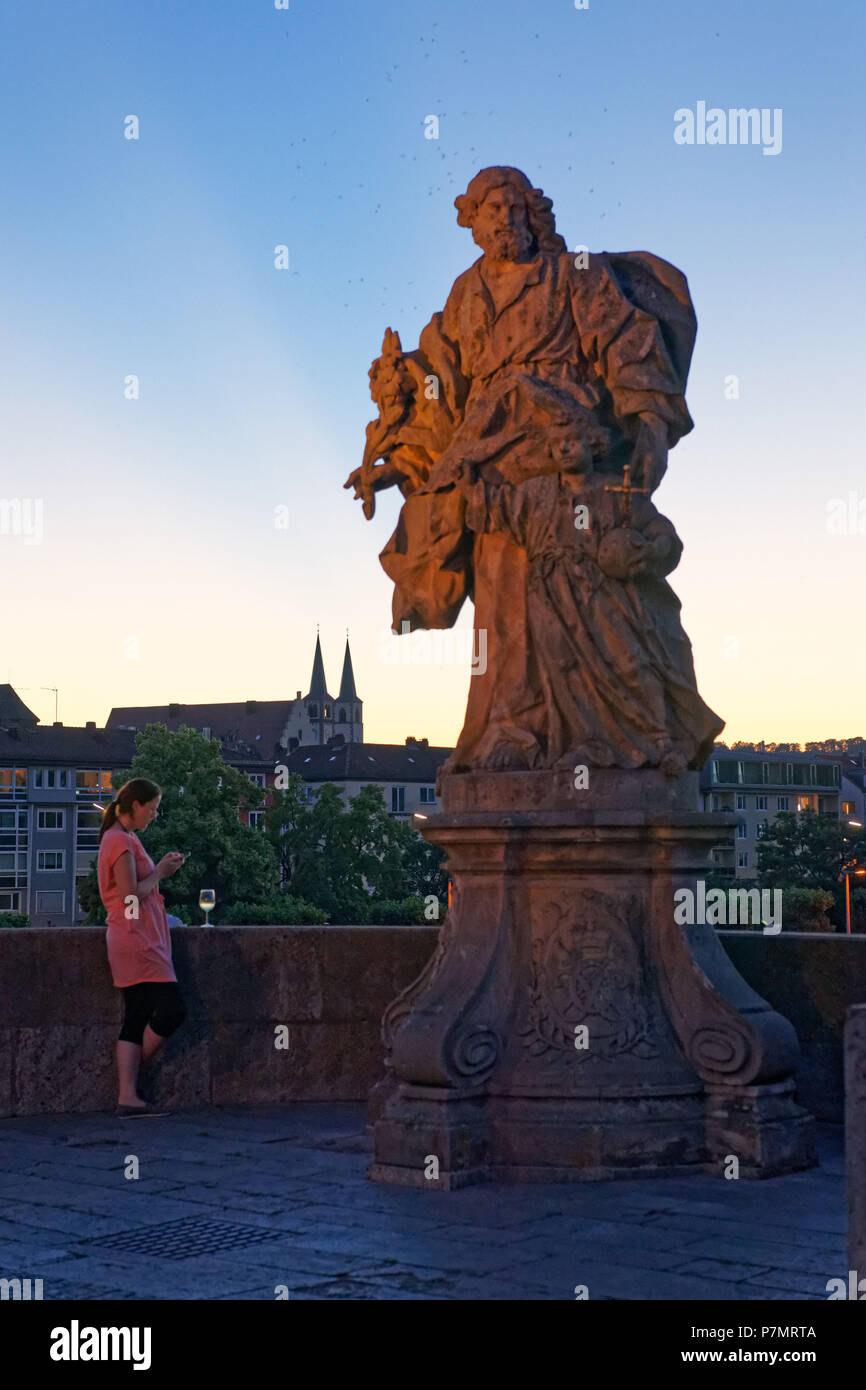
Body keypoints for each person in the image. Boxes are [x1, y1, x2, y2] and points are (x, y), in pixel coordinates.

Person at [97, 777, 187, 1117]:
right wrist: (161, 872)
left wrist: (160, 868)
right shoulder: (119, 840)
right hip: (137, 939)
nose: (153, 815)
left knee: (136, 1015)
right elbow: (129, 897)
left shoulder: (123, 838)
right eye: (151, 809)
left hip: (139, 937)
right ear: (134, 806)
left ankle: (128, 1096)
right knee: (172, 1009)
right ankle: (129, 1081)